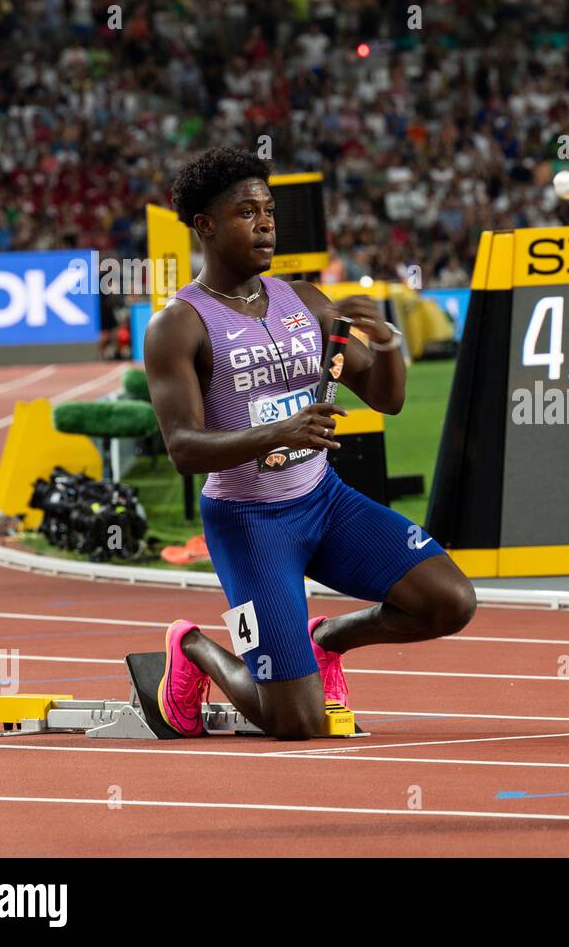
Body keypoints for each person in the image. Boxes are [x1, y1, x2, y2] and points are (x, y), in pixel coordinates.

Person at [143, 147, 475, 740]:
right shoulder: (179, 325)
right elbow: (184, 449)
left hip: (324, 500)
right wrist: (279, 432)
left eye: (268, 210)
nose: (266, 223)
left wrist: (390, 342)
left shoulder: (309, 304)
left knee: (450, 602)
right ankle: (192, 648)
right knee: (296, 721)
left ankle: (325, 640)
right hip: (249, 523)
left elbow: (385, 397)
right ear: (206, 225)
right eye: (246, 212)